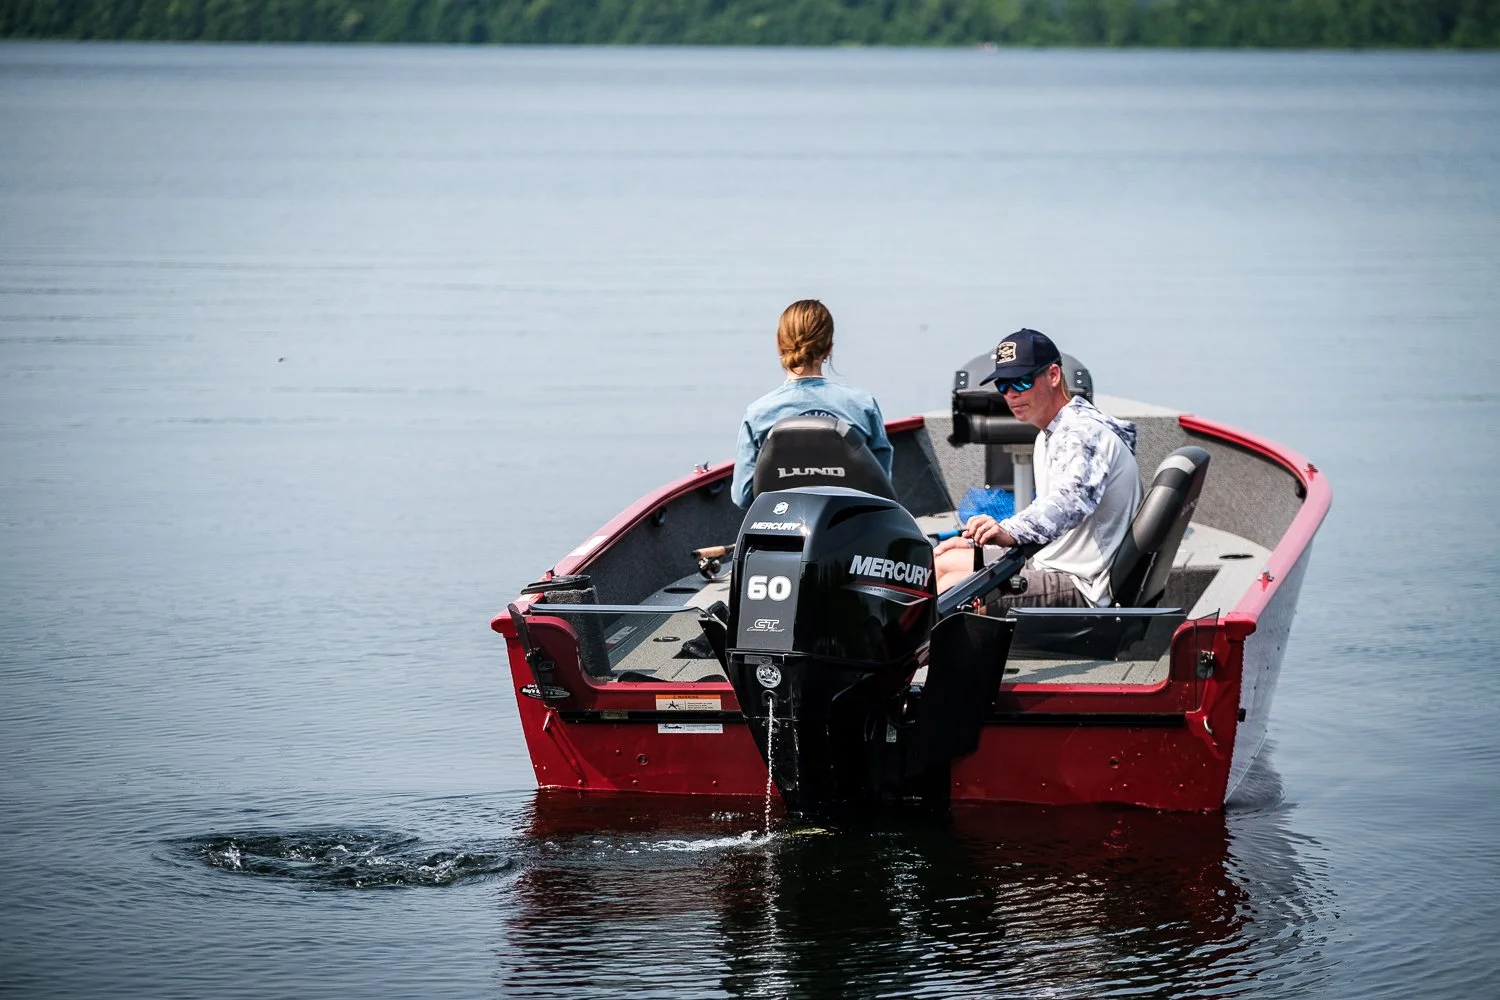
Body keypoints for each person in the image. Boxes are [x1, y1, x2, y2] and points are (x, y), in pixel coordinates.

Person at [934, 328, 1143, 608]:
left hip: (1084, 586)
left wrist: (1007, 531)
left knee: (950, 592)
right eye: (1002, 385)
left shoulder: (1081, 434)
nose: (1010, 394)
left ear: (1053, 376)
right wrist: (979, 545)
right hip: (1052, 563)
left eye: (1020, 382)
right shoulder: (1053, 432)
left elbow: (1068, 503)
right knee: (939, 563)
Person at [731, 299, 893, 508]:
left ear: (779, 342)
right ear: (829, 348)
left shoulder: (758, 414)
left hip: (785, 534)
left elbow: (743, 497)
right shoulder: (863, 406)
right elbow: (882, 489)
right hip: (852, 532)